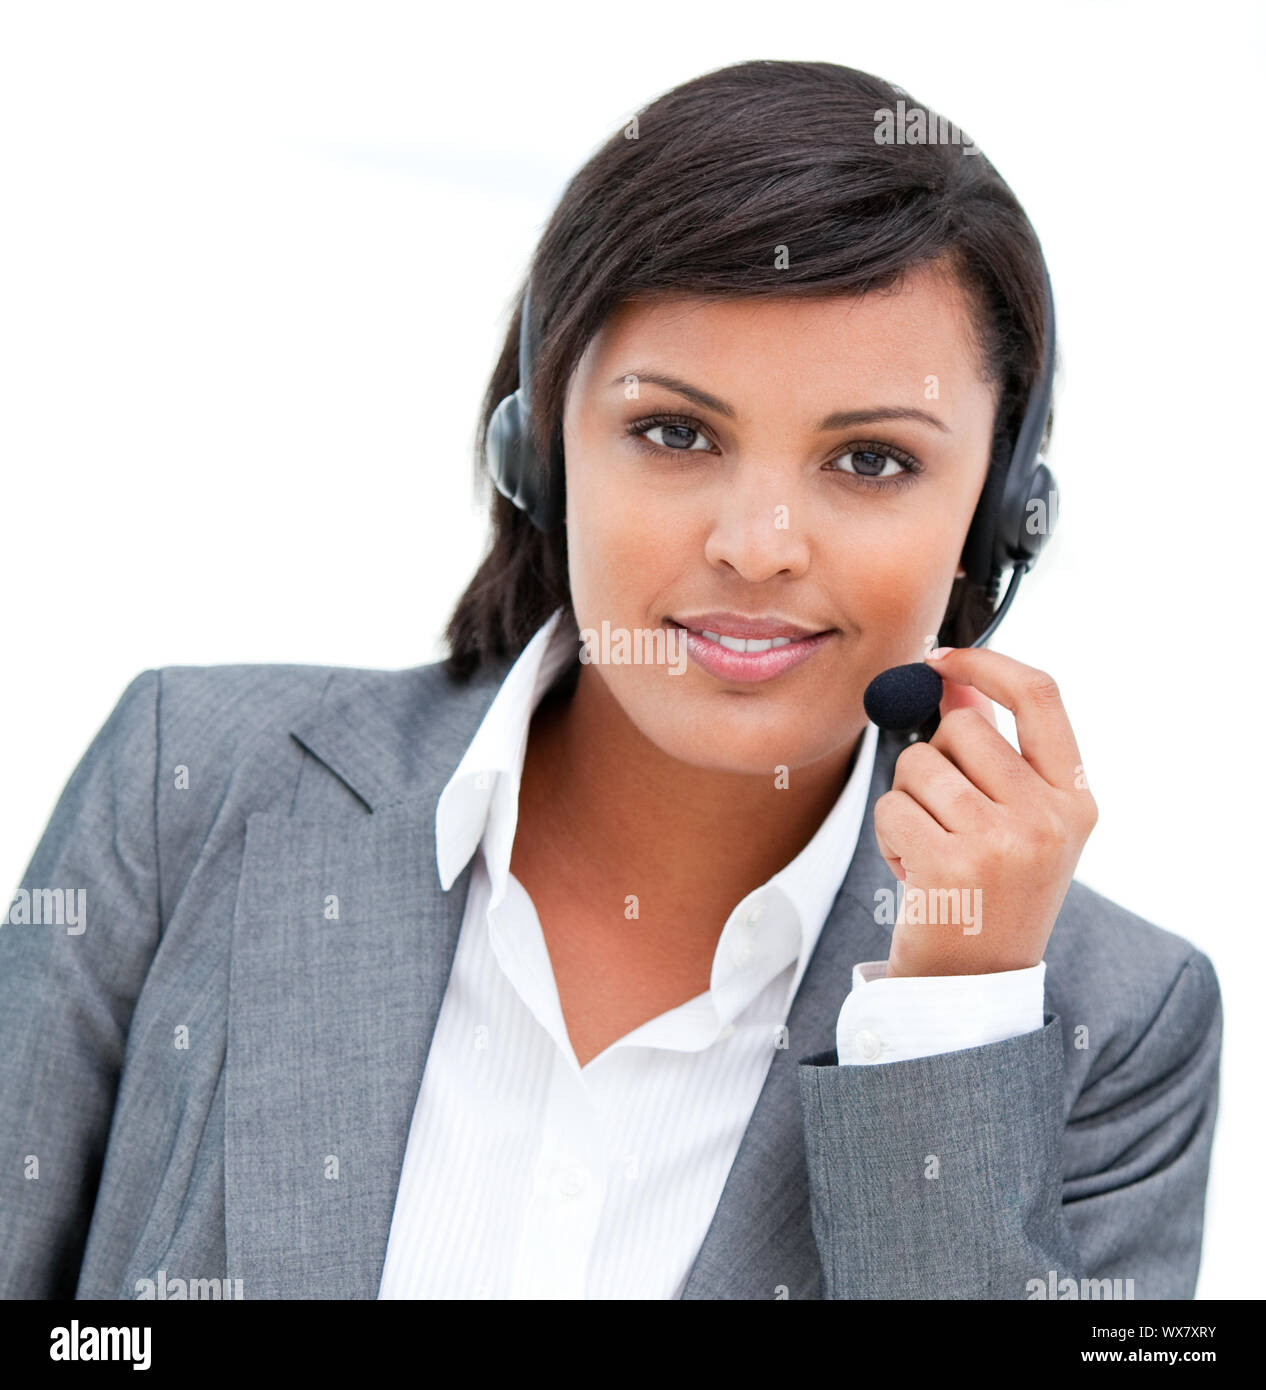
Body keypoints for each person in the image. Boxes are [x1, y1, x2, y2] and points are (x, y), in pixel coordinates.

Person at [0, 59, 1220, 1301]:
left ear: (1000, 515)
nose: (757, 544)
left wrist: (951, 1031)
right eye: (676, 432)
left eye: (869, 458)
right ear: (540, 447)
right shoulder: (188, 785)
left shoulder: (1112, 1025)